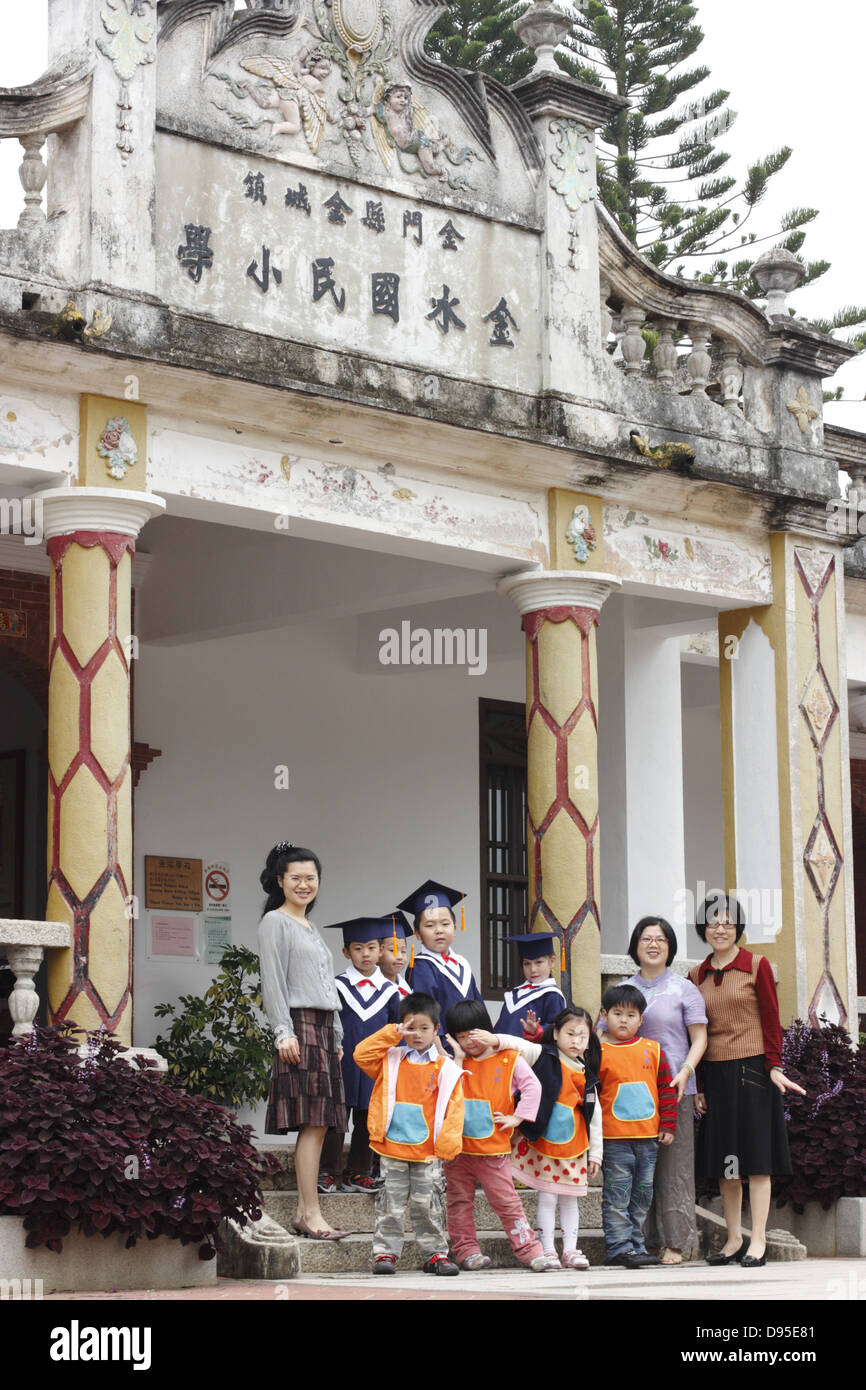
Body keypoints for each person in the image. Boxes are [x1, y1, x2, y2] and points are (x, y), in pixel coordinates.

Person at [688, 893, 806, 1268]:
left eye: (727, 921)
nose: (719, 928)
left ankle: (757, 1239)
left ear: (738, 927)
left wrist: (775, 1065)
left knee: (755, 1160)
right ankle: (734, 1238)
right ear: (703, 929)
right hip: (717, 1073)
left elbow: (772, 1020)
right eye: (712, 922)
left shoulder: (757, 966)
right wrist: (700, 1088)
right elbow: (697, 1033)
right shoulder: (696, 975)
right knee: (728, 1163)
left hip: (755, 1070)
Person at [596, 917, 707, 1263]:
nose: (653, 944)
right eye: (646, 939)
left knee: (674, 1170)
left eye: (660, 939)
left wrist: (687, 1071)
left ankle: (675, 1242)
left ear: (670, 946)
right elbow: (601, 1038)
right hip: (627, 1097)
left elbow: (700, 1037)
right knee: (636, 1174)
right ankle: (637, 1243)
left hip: (673, 1089)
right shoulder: (623, 990)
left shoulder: (684, 988)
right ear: (635, 946)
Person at [256, 841, 348, 1241]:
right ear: (281, 881)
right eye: (296, 877)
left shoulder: (310, 926)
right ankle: (310, 1212)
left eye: (311, 877)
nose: (305, 884)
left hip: (325, 1028)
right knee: (312, 1123)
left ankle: (303, 1211)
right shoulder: (275, 922)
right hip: (299, 1024)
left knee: (322, 1124)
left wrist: (338, 1033)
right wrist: (282, 1031)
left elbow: (326, 985)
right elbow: (272, 980)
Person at [468, 1006, 603, 1269]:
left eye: (582, 1036)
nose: (576, 1041)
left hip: (574, 1147)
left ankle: (572, 1251)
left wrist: (596, 1152)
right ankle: (549, 1250)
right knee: (548, 1197)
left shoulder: (587, 1074)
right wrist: (494, 1040)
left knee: (570, 1198)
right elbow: (518, 1044)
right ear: (555, 1034)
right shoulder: (544, 1055)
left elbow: (595, 1115)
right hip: (544, 1144)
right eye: (570, 1034)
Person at [354, 993, 465, 1276]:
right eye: (410, 1027)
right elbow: (360, 1054)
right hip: (392, 1148)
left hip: (427, 1151)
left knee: (427, 1204)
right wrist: (392, 1034)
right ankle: (385, 1254)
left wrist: (448, 1144)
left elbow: (455, 1107)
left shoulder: (445, 1068)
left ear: (436, 1030)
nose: (417, 1034)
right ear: (402, 1027)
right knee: (390, 1204)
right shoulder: (390, 1059)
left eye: (424, 1028)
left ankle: (436, 1254)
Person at [442, 999, 554, 1272]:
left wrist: (518, 1117)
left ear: (487, 1030)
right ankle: (465, 1251)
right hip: (457, 1150)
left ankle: (530, 1250)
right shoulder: (455, 1062)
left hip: (494, 1151)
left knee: (507, 1202)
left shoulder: (509, 1058)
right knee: (458, 1202)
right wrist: (456, 1056)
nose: (469, 1041)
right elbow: (444, 1092)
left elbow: (533, 1087)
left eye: (474, 1033)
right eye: (461, 1036)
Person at [597, 984, 677, 1268]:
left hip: (649, 1138)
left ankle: (636, 1244)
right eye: (617, 1013)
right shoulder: (598, 1051)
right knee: (617, 1194)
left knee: (643, 1195)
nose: (623, 1020)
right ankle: (618, 1247)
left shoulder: (653, 1050)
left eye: (631, 1015)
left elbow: (667, 1090)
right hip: (614, 1139)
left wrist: (668, 1124)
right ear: (604, 1015)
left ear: (641, 1019)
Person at [319, 916, 401, 1194]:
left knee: (368, 1120)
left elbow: (395, 1029)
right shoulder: (337, 985)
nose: (365, 954)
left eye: (370, 947)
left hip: (374, 1068)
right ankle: (328, 1172)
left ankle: (359, 1173)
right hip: (341, 1063)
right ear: (346, 952)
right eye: (357, 948)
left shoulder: (390, 992)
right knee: (335, 1120)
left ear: (380, 950)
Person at [400, 879, 483, 1022]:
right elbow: (425, 1015)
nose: (439, 930)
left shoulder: (462, 963)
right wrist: (442, 1045)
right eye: (430, 925)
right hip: (441, 1043)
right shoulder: (421, 966)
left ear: (455, 929)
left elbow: (479, 1007)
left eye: (445, 924)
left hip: (472, 1042)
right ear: (418, 934)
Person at [493, 931, 566, 1039]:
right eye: (527, 963)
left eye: (539, 962)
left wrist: (537, 1030)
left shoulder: (552, 996)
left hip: (530, 1054)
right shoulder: (515, 994)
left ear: (552, 961)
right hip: (503, 1053)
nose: (532, 969)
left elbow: (556, 1029)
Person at [379, 911, 411, 996]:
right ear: (377, 952)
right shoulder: (372, 990)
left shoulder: (407, 988)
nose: (400, 957)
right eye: (392, 950)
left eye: (403, 951)